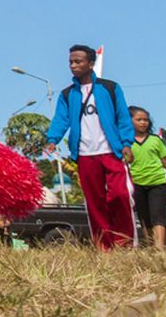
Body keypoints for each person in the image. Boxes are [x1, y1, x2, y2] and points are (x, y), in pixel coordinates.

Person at [44, 45, 136, 250]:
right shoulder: (68, 94)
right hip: (85, 155)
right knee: (95, 203)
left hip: (112, 151)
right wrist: (53, 139)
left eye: (78, 61)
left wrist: (127, 143)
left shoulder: (110, 88)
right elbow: (61, 119)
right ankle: (104, 246)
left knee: (119, 196)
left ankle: (124, 242)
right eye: (71, 62)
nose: (73, 66)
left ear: (91, 63)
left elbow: (122, 117)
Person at [128, 106, 166, 248]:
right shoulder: (126, 142)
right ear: (130, 121)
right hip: (137, 183)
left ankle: (159, 248)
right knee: (144, 217)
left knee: (158, 216)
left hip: (157, 182)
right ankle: (150, 246)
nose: (143, 123)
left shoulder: (155, 140)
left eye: (146, 120)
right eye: (139, 119)